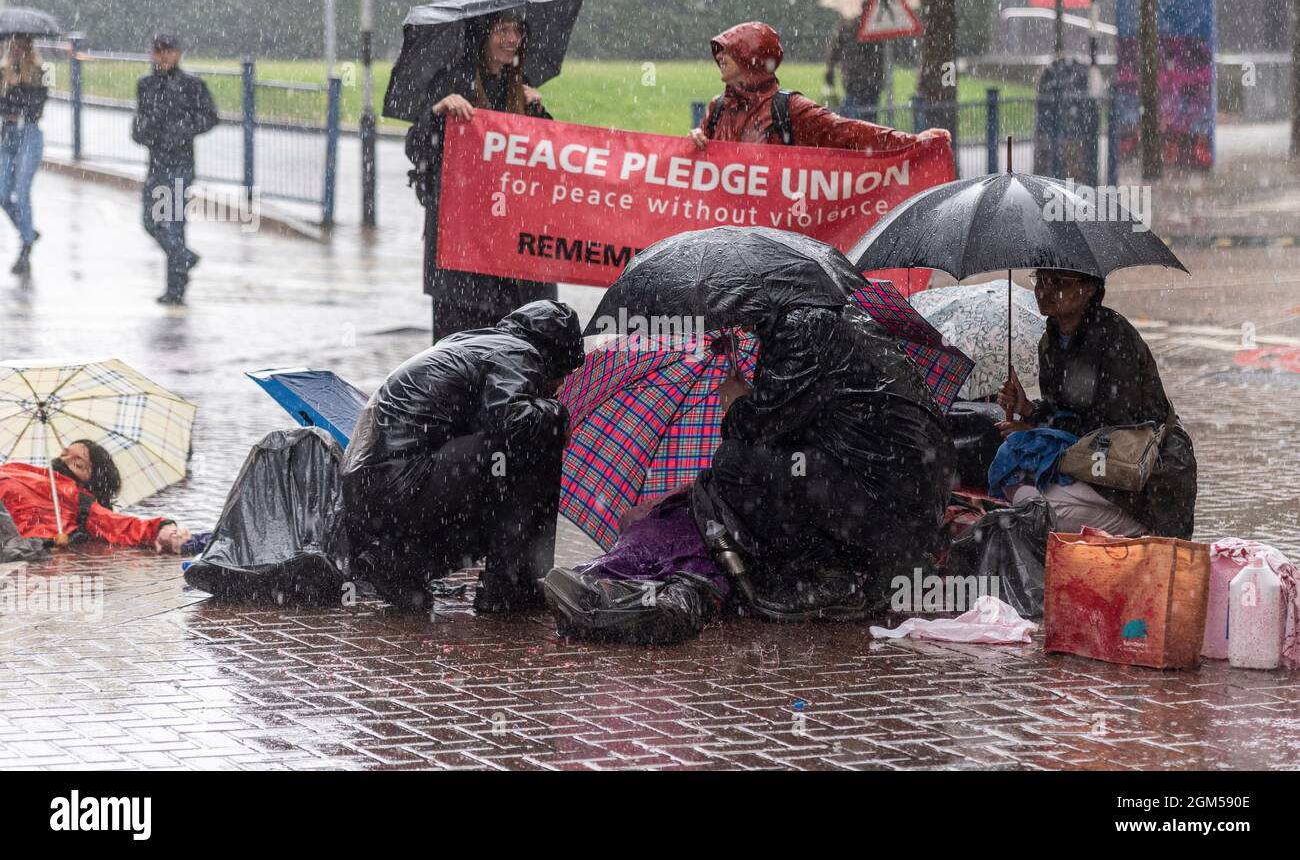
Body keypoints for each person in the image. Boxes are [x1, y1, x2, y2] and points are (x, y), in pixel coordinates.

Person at [544, 304, 956, 644]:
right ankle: (653, 590)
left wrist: (736, 403)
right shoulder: (840, 329)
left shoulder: (802, 326)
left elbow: (762, 425)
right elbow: (797, 430)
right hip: (890, 517)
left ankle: (658, 595)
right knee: (714, 498)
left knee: (730, 468)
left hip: (871, 519)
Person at [341, 299, 585, 613]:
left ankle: (401, 565)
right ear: (554, 356)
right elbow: (513, 421)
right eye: (563, 374)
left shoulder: (471, 342)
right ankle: (511, 585)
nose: (561, 384)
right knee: (536, 441)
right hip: (404, 481)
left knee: (496, 501)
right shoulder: (518, 353)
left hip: (371, 490)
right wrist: (558, 415)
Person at [996, 269, 1197, 538]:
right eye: (1040, 280)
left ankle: (1141, 532)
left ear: (1090, 288)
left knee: (1041, 507)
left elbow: (1111, 426)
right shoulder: (1050, 341)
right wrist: (1028, 409)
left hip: (1144, 470)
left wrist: (1037, 431)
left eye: (1057, 282)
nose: (1043, 291)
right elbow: (1061, 409)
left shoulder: (1115, 338)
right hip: (1094, 463)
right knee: (1015, 481)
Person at [404, 11, 558, 342]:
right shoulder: (450, 84)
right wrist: (438, 112)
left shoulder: (522, 89)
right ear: (482, 36)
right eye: (502, 30)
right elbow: (417, 148)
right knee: (461, 350)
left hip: (510, 254)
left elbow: (547, 160)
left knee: (512, 350)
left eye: (517, 31)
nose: (511, 39)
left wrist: (540, 115)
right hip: (461, 252)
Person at [689, 20, 946, 152]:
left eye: (728, 51)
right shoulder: (718, 108)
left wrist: (913, 142)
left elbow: (849, 133)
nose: (719, 57)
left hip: (772, 233)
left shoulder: (788, 108)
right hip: (725, 233)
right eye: (718, 52)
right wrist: (693, 142)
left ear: (749, 55)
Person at [131, 33, 218, 305]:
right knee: (151, 220)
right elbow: (140, 119)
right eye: (158, 51)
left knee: (175, 222)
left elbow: (210, 116)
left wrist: (183, 130)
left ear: (178, 53)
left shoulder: (192, 84)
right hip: (156, 162)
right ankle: (184, 258)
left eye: (168, 51)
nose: (163, 56)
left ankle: (175, 287)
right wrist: (145, 132)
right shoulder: (145, 85)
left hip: (181, 162)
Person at [0, 440, 190, 552]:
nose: (63, 461)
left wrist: (161, 528)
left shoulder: (80, 501)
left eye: (78, 464)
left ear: (92, 480)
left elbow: (118, 525)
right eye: (65, 454)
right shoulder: (18, 468)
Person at [0, 35, 48, 275]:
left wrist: (19, 85)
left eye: (20, 44)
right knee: (2, 192)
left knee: (21, 190)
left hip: (28, 136)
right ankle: (27, 230)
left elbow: (36, 109)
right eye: (12, 44)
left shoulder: (42, 71)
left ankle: (26, 247)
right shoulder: (2, 72)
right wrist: (7, 84)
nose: (15, 49)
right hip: (7, 136)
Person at [824, 6, 885, 120]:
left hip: (855, 80)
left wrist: (829, 71)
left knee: (854, 117)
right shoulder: (873, 27)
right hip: (870, 82)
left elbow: (834, 53)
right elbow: (879, 55)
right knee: (869, 119)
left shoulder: (846, 26)